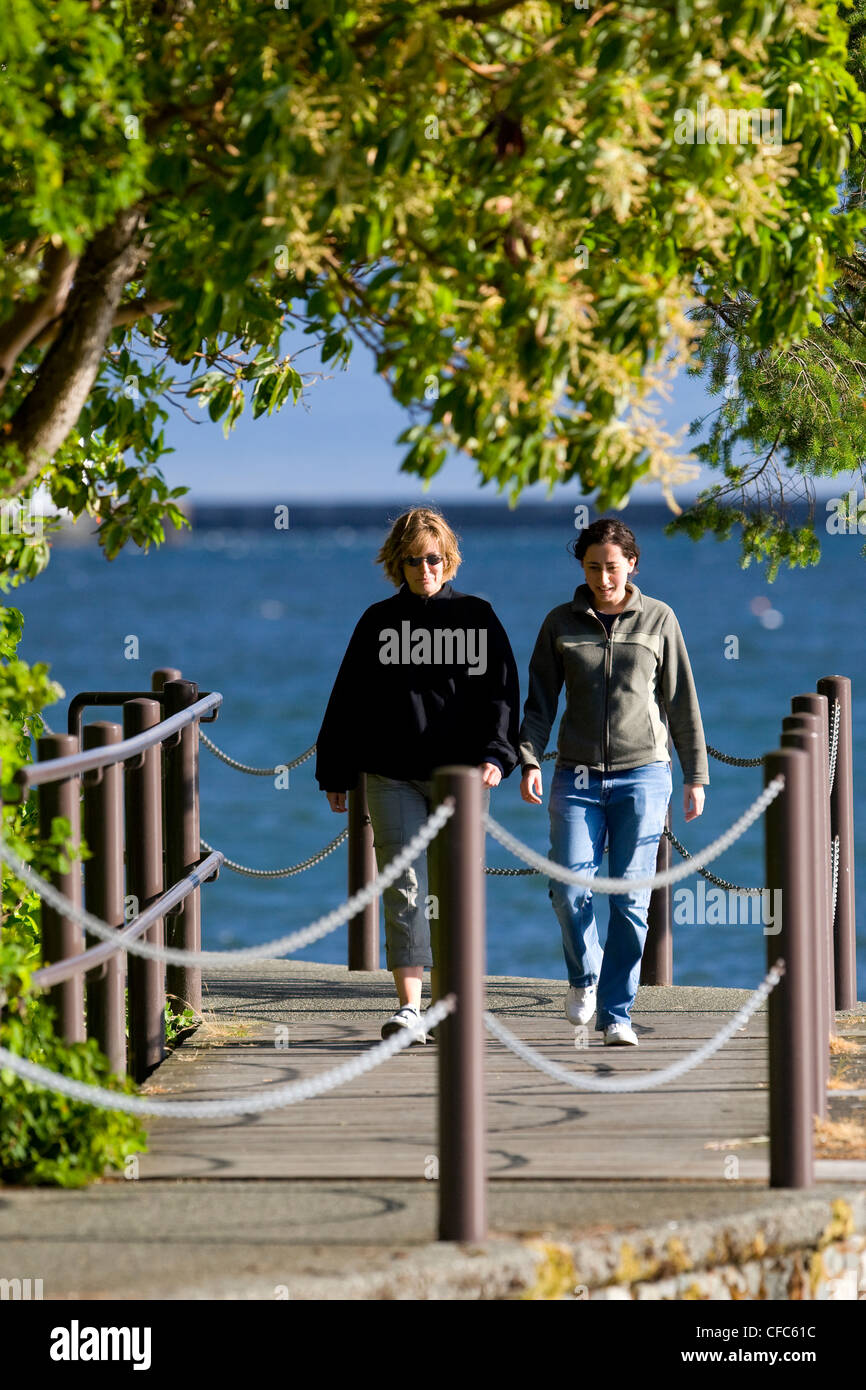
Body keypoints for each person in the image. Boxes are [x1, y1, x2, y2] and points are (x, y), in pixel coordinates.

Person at [316, 506, 521, 1042]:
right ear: (397, 565)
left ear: (448, 560)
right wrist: (334, 771)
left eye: (433, 559)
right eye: (413, 561)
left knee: (453, 890)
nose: (424, 569)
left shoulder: (478, 616)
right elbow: (347, 700)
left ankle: (453, 1001)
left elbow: (502, 695)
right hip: (392, 775)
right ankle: (410, 1008)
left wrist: (498, 757)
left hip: (463, 780)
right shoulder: (377, 622)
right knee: (402, 888)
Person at [518, 517, 708, 1046]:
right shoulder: (560, 623)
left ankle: (617, 1013)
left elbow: (681, 702)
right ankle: (584, 976)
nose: (603, 578)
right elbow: (538, 703)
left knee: (630, 900)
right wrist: (529, 759)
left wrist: (696, 775)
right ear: (582, 567)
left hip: (645, 775)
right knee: (567, 887)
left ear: (632, 565)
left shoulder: (659, 620)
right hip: (574, 776)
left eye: (612, 567)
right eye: (593, 567)